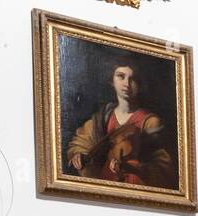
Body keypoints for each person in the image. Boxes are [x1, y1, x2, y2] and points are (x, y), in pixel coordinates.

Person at [66, 60, 174, 188]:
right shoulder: (103, 118)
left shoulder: (150, 122)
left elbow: (163, 167)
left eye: (132, 79)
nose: (127, 84)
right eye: (121, 76)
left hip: (134, 186)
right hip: (103, 185)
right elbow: (80, 143)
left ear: (139, 84)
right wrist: (78, 154)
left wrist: (132, 166)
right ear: (112, 81)